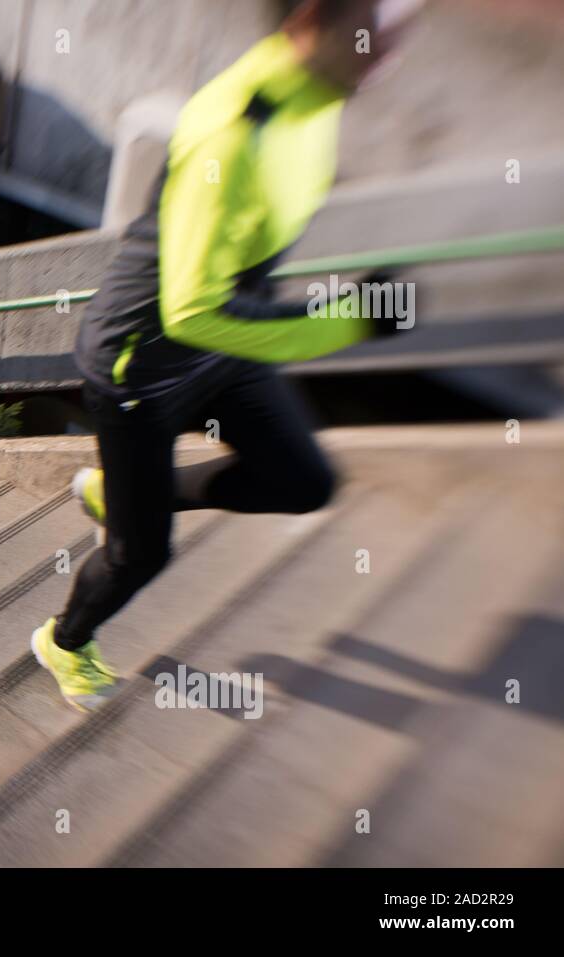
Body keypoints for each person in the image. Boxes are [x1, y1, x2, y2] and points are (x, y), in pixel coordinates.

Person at [32, 0, 418, 711]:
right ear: (312, 20)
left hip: (221, 348)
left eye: (396, 37)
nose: (385, 58)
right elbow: (192, 308)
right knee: (140, 555)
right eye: (372, 36)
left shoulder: (322, 95)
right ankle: (64, 641)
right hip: (139, 366)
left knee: (304, 480)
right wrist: (350, 321)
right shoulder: (236, 130)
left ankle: (116, 493)